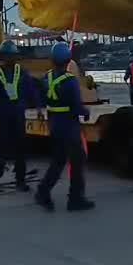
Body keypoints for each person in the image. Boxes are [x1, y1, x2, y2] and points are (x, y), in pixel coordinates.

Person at [35, 42, 95, 212]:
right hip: (69, 125)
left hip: (54, 124)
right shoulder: (70, 81)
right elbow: (76, 106)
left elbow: (40, 97)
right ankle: (76, 199)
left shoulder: (46, 78)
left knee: (58, 161)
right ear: (69, 60)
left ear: (52, 60)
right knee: (77, 160)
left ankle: (43, 191)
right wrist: (86, 112)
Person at [0, 40, 35, 191]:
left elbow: (31, 91)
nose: (9, 59)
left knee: (17, 145)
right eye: (8, 56)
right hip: (8, 114)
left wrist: (38, 107)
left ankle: (18, 178)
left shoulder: (19, 73)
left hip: (11, 114)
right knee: (8, 142)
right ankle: (3, 164)